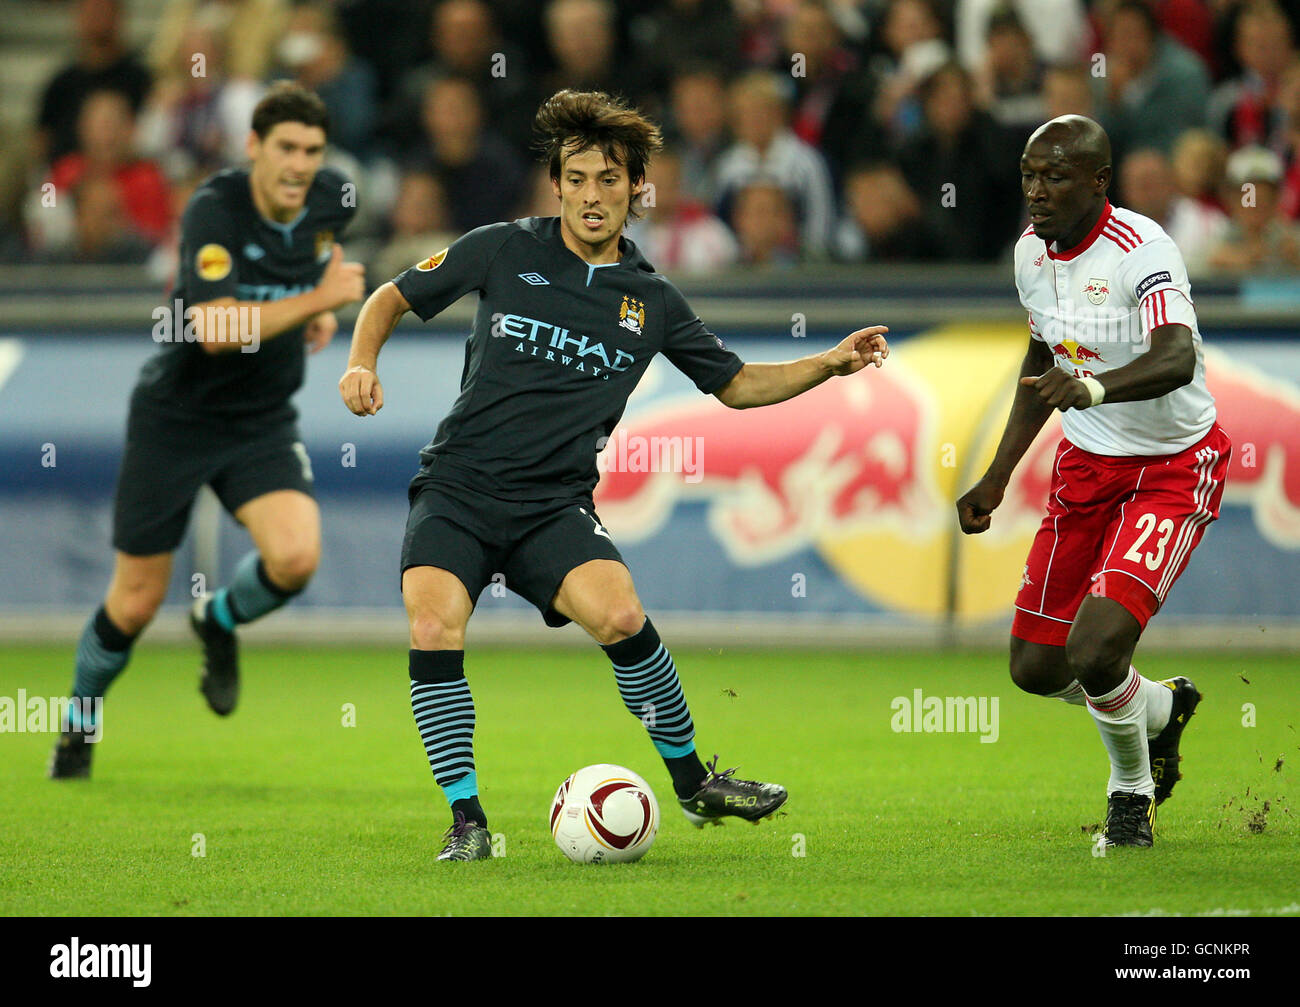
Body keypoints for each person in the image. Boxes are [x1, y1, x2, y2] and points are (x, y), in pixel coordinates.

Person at [339, 89, 890, 861]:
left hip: (551, 503)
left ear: (637, 190)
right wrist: (361, 362)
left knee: (624, 617)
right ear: (556, 184)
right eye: (577, 178)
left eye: (609, 180)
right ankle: (468, 820)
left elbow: (736, 385)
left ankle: (696, 783)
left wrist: (829, 363)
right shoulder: (502, 247)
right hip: (459, 486)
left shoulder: (652, 300)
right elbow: (389, 299)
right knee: (434, 626)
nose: (592, 195)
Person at [49, 82, 365, 779]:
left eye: (312, 150)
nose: (299, 164)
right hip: (177, 418)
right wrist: (318, 301)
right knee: (133, 601)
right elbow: (216, 329)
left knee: (296, 558)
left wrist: (311, 310)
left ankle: (216, 618)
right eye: (285, 147)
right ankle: (77, 723)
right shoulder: (214, 209)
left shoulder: (334, 199)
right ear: (253, 146)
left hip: (260, 418)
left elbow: (310, 262)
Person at [956, 114, 1231, 848]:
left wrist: (1097, 390)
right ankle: (1161, 710)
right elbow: (1041, 359)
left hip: (1172, 466)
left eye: (1054, 176)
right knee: (1036, 665)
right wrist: (997, 473)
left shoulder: (1144, 249)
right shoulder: (1029, 254)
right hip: (1086, 465)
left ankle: (1131, 794)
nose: (1036, 191)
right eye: (1028, 175)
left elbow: (1176, 357)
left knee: (1098, 646)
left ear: (1098, 181)